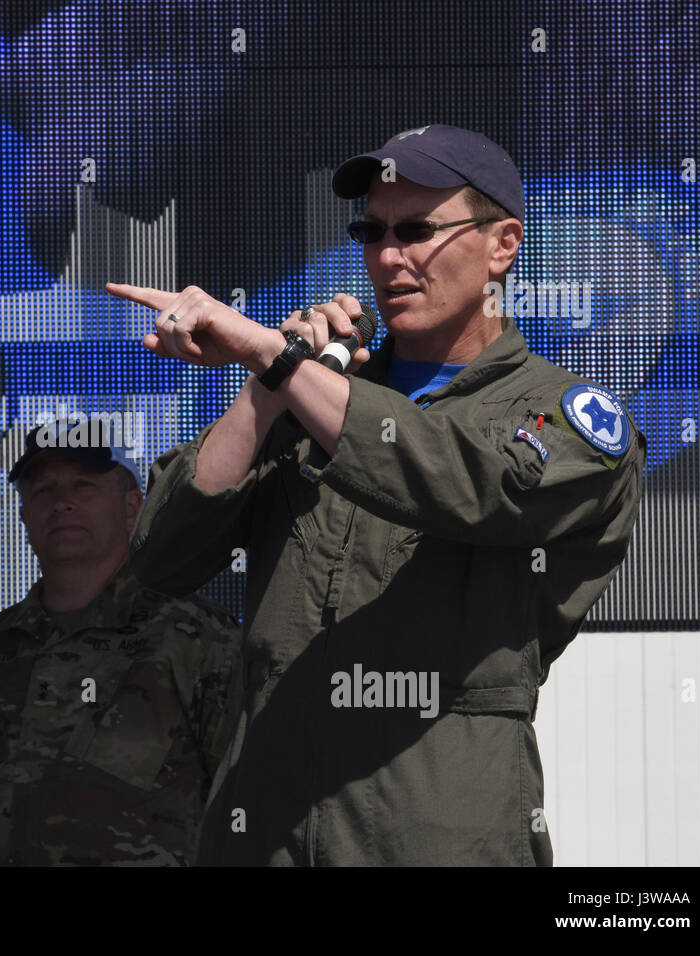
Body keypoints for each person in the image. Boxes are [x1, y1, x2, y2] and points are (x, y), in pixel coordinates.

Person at [109, 125, 646, 865]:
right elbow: (162, 555)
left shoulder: (565, 416)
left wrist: (275, 357)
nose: (388, 257)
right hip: (265, 828)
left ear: (502, 245)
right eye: (373, 231)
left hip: (436, 832)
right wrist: (272, 384)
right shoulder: (312, 390)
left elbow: (465, 482)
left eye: (419, 230)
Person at [0, 421, 243, 865]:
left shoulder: (195, 636)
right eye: (43, 490)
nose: (62, 502)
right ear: (23, 514)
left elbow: (251, 793)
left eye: (84, 485)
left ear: (132, 507)